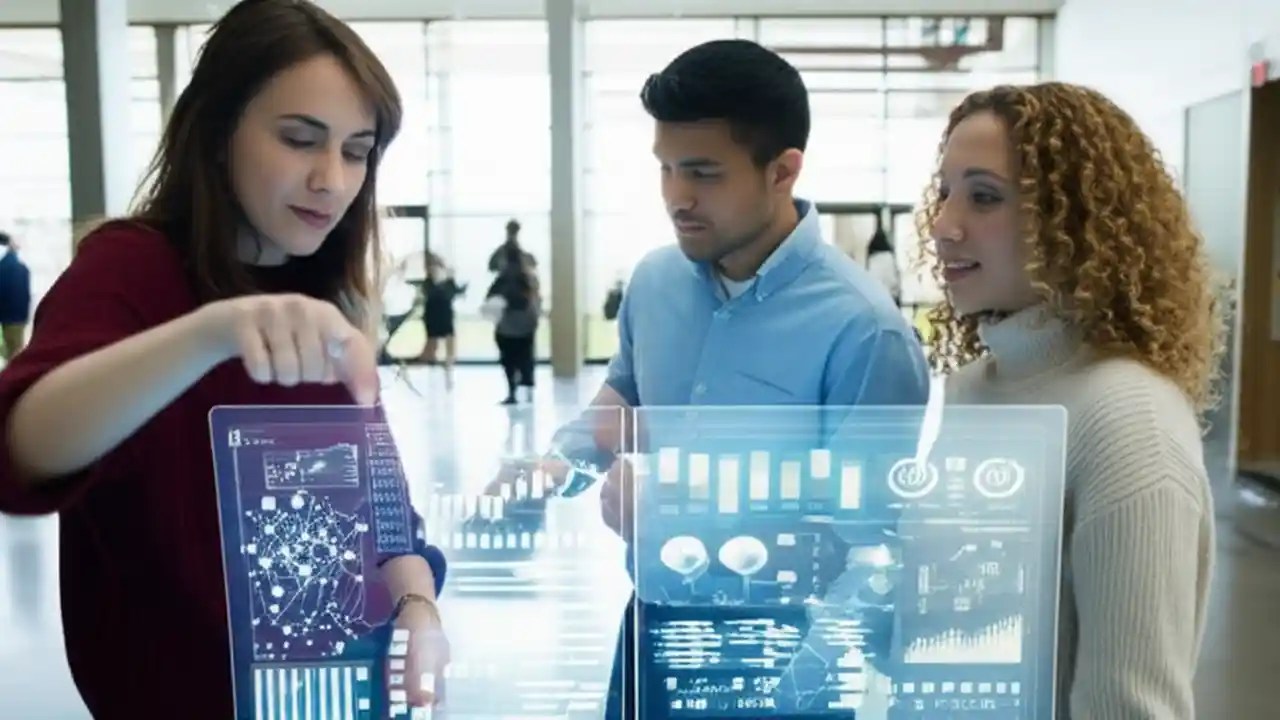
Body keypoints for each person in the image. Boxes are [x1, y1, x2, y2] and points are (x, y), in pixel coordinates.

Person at [0, 2, 449, 717]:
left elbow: (381, 503)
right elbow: (21, 448)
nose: (332, 179)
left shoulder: (327, 294)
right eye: (300, 140)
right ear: (216, 133)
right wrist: (209, 334)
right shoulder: (131, 269)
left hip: (327, 693)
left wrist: (417, 602)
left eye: (357, 151)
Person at [499, 39, 930, 719]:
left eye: (702, 172)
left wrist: (804, 679)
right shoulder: (655, 281)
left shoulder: (864, 332)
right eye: (666, 168)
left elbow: (874, 547)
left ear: (782, 170)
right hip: (651, 622)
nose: (676, 196)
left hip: (781, 655)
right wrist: (557, 468)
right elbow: (629, 394)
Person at [922, 81, 1221, 719]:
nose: (944, 225)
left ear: (1074, 219)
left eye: (984, 197)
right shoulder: (973, 390)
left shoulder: (1128, 422)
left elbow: (1130, 707)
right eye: (946, 192)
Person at [486, 244, 540, 405]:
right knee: (525, 356)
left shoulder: (502, 278)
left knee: (508, 360)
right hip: (526, 325)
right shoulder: (528, 278)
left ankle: (512, 392)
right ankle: (526, 384)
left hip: (507, 326)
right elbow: (533, 298)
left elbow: (491, 296)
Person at [419, 252, 465, 379]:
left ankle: (447, 364)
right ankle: (426, 363)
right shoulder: (430, 282)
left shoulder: (443, 281)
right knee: (434, 342)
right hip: (436, 312)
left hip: (442, 312)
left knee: (445, 340)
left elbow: (452, 292)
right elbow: (439, 293)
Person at [0, 231, 31, 360]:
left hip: (10, 316)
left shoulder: (6, 267)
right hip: (16, 317)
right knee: (15, 351)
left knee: (13, 352)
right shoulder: (21, 267)